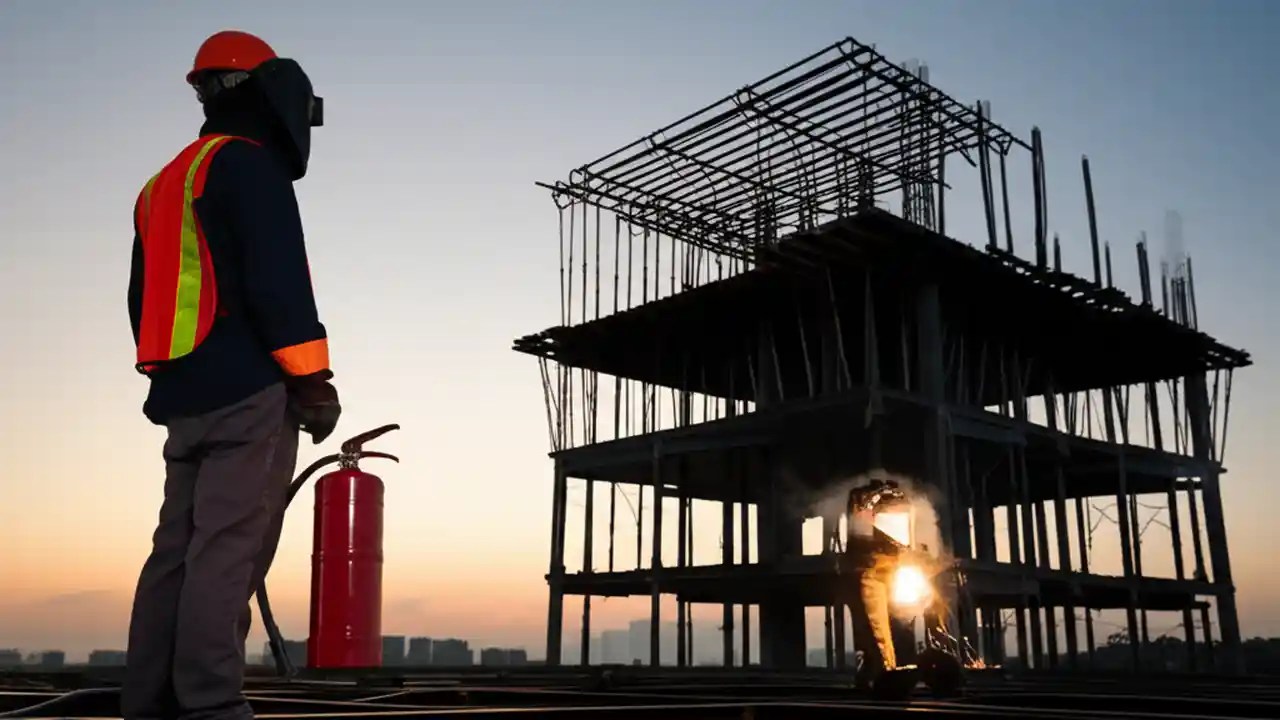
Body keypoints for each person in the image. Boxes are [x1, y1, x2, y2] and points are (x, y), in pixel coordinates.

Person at [121, 30, 340, 720]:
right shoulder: (248, 167)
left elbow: (141, 298)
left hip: (182, 395)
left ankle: (150, 701)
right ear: (268, 92)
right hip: (248, 392)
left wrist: (178, 375)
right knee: (229, 550)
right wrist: (313, 383)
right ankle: (212, 703)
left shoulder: (164, 182)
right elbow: (279, 287)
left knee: (175, 553)